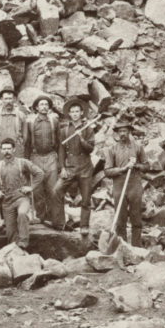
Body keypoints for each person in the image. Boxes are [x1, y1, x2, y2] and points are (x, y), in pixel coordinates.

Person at [0, 137, 44, 249]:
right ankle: (14, 250)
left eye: (9, 149)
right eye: (4, 149)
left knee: (22, 213)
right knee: (10, 234)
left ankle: (23, 242)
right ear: (1, 150)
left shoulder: (22, 163)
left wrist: (31, 187)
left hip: (21, 198)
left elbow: (39, 173)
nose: (7, 151)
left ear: (14, 149)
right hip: (6, 201)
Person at [0, 87, 28, 227]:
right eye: (5, 98)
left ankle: (15, 217)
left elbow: (25, 136)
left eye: (10, 98)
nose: (8, 101)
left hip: (17, 152)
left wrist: (18, 149)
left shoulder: (21, 115)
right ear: (1, 100)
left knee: (17, 181)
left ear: (14, 100)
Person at [103, 120, 148, 247]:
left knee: (136, 217)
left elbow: (146, 166)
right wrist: (123, 169)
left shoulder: (138, 147)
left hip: (135, 185)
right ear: (117, 133)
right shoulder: (112, 149)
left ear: (129, 132)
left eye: (125, 131)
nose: (122, 133)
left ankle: (136, 247)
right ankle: (122, 246)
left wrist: (136, 165)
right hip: (119, 185)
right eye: (120, 131)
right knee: (120, 218)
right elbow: (107, 171)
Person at [54, 98, 95, 236]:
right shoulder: (64, 130)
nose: (75, 114)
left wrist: (82, 138)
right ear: (69, 114)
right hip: (70, 167)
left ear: (82, 113)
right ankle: (60, 222)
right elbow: (61, 150)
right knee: (56, 191)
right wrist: (62, 168)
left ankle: (84, 225)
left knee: (86, 198)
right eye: (72, 112)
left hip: (85, 167)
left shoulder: (88, 129)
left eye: (77, 111)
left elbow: (90, 149)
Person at [27, 95, 62, 228]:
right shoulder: (30, 122)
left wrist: (60, 162)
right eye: (41, 104)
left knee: (53, 189)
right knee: (37, 190)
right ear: (36, 107)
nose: (44, 107)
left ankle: (52, 218)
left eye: (46, 104)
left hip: (51, 156)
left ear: (49, 107)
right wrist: (26, 163)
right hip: (35, 157)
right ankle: (40, 217)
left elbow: (59, 142)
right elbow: (26, 143)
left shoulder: (54, 121)